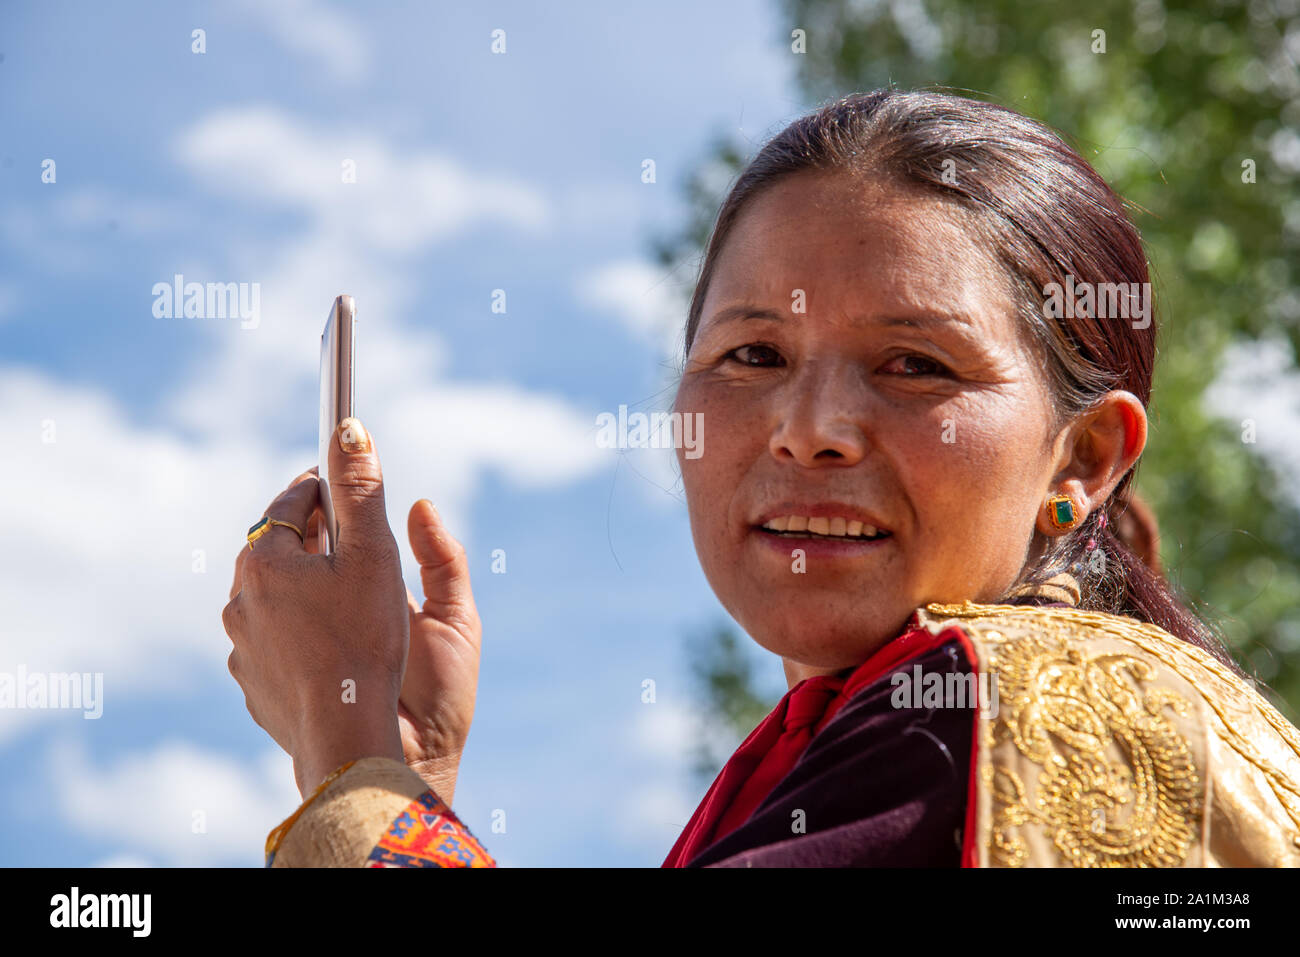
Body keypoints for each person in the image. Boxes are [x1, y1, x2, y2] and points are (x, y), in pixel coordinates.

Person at [223, 89, 1300, 868]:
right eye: (751, 358)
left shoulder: (986, 715)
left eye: (913, 365)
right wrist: (410, 796)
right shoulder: (860, 746)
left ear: (1082, 459)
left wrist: (347, 753)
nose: (809, 430)